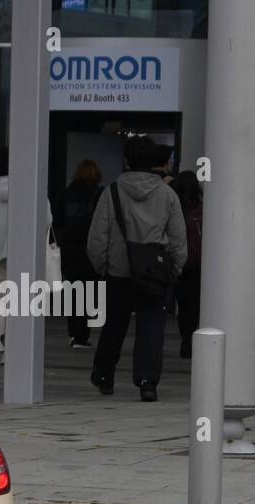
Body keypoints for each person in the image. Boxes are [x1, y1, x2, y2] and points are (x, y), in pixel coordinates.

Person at [86, 135, 188, 402]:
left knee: (114, 326)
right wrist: (175, 269)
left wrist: (103, 265)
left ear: (127, 161)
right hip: (155, 271)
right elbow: (178, 238)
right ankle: (147, 381)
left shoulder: (112, 192)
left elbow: (97, 237)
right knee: (152, 327)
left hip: (119, 271)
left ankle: (104, 374)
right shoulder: (168, 194)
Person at [0, 149, 56, 364]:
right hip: (25, 253)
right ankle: (24, 348)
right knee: (25, 301)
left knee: (2, 302)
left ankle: (4, 350)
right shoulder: (33, 187)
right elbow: (47, 219)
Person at [54, 159, 104, 349]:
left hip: (70, 249)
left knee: (72, 291)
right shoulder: (100, 194)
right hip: (92, 248)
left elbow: (57, 221)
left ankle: (73, 332)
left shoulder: (67, 193)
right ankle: (83, 335)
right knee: (89, 292)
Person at [171, 170, 203, 359]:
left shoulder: (175, 208)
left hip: (180, 263)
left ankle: (187, 341)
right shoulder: (202, 208)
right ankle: (191, 340)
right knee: (195, 305)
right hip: (199, 263)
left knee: (184, 305)